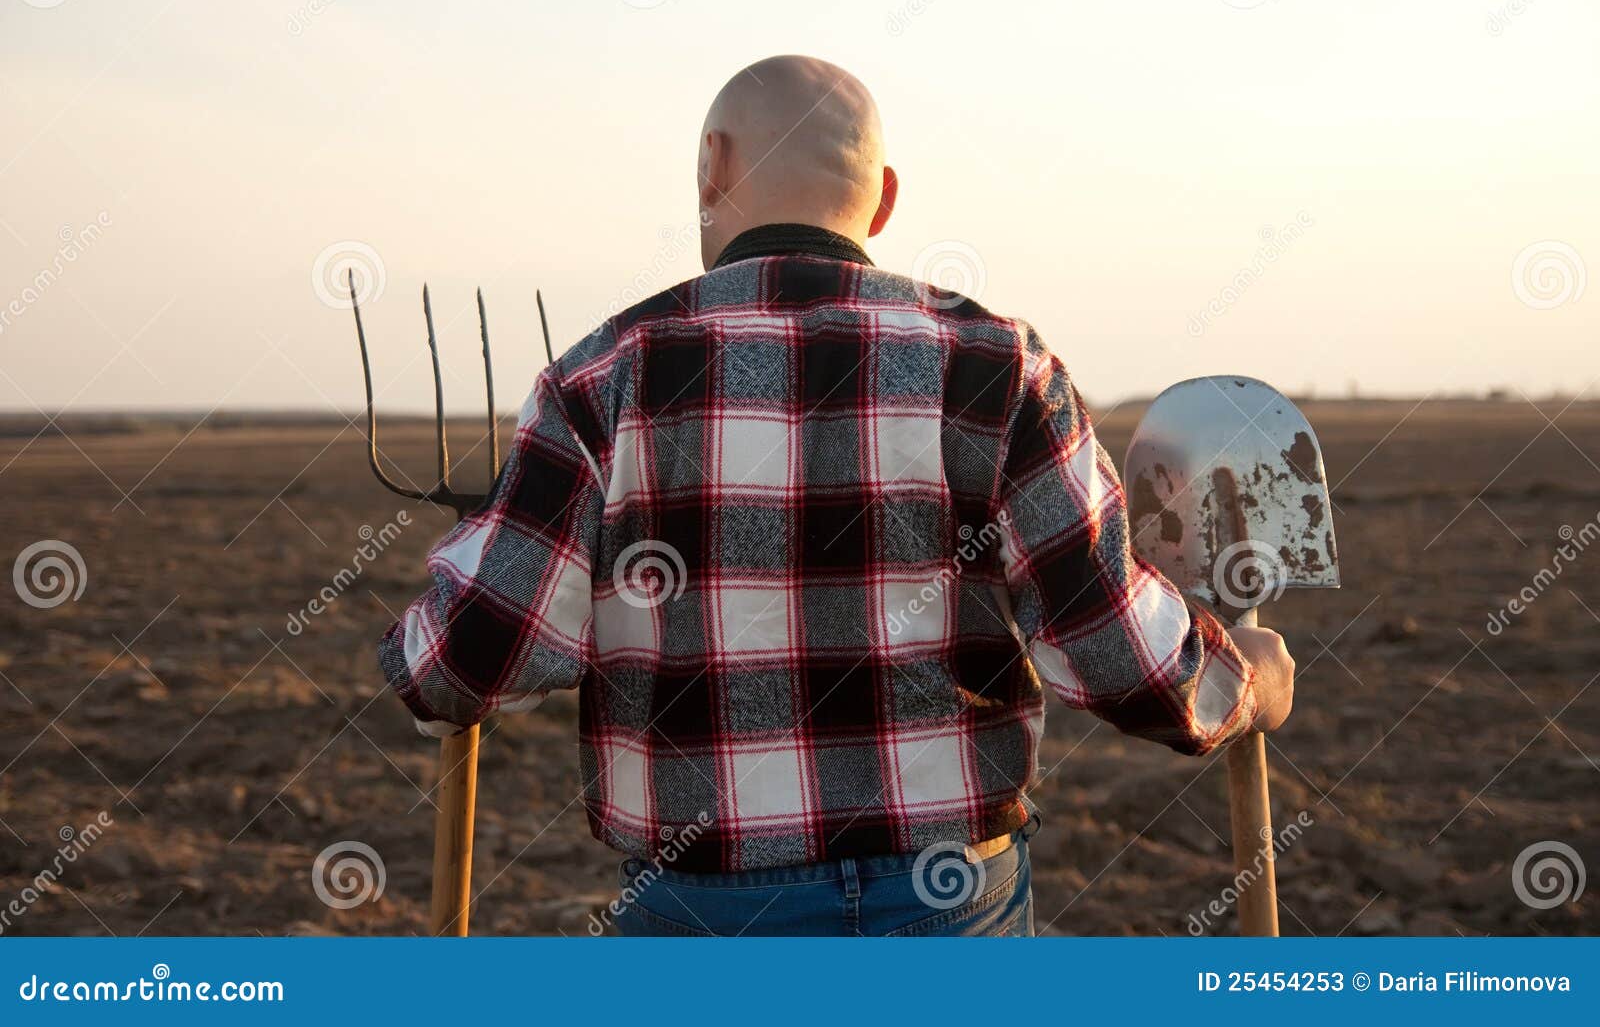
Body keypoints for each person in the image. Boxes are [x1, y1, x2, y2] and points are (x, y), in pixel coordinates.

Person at [378, 54, 1295, 937]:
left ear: (711, 169)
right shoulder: (1002, 367)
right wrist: (1242, 681)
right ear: (884, 198)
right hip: (948, 903)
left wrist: (427, 626)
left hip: (703, 918)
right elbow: (1113, 651)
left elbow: (466, 665)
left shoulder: (599, 379)